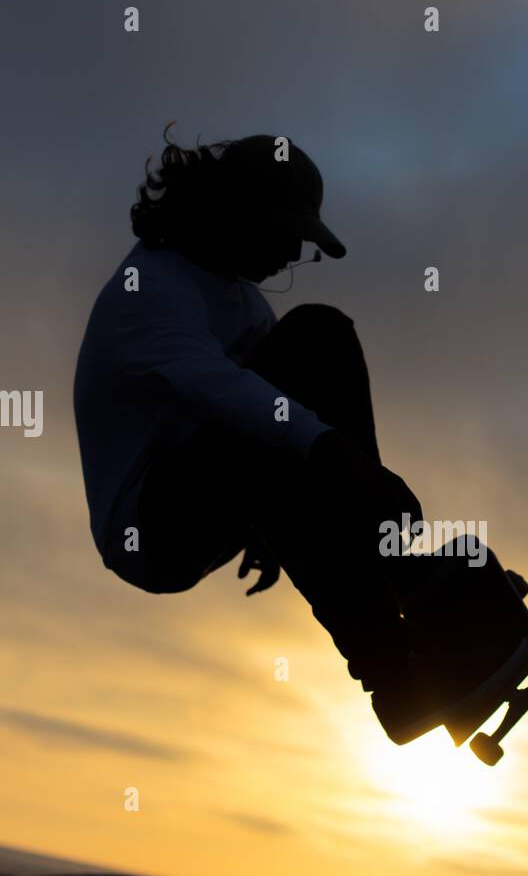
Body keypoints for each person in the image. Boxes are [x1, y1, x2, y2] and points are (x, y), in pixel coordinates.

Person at [74, 130, 453, 740]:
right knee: (308, 348)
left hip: (205, 487)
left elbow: (291, 399)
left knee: (320, 341)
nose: (289, 257)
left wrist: (284, 522)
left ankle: (400, 588)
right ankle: (394, 670)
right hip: (148, 530)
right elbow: (226, 392)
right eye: (288, 236)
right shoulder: (150, 291)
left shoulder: (237, 297)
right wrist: (345, 465)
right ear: (237, 213)